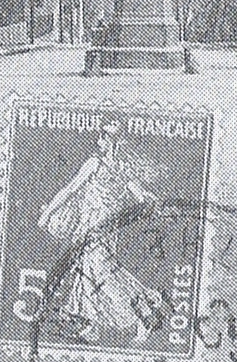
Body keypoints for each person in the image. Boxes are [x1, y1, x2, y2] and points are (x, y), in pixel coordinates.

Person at [37, 119, 165, 343]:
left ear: (117, 141)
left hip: (105, 230)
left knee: (105, 274)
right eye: (104, 136)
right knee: (88, 274)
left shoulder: (121, 168)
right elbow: (70, 189)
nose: (105, 141)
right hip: (90, 226)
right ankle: (93, 324)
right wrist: (49, 212)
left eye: (111, 137)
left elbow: (138, 192)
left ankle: (142, 315)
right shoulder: (94, 163)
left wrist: (151, 200)